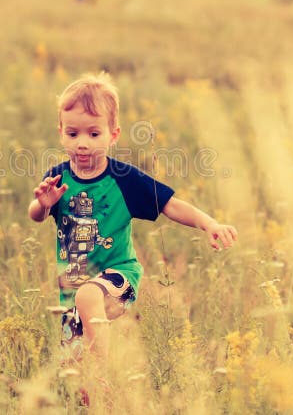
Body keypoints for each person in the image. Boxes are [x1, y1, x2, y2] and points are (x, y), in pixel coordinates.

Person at [28, 72, 238, 361]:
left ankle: (106, 369)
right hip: (72, 288)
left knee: (89, 298)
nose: (82, 143)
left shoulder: (124, 180)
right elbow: (36, 215)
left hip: (119, 278)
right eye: (73, 133)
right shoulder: (57, 178)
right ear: (60, 131)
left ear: (113, 135)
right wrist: (43, 204)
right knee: (74, 372)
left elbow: (170, 204)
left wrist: (209, 224)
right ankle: (105, 396)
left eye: (94, 133)